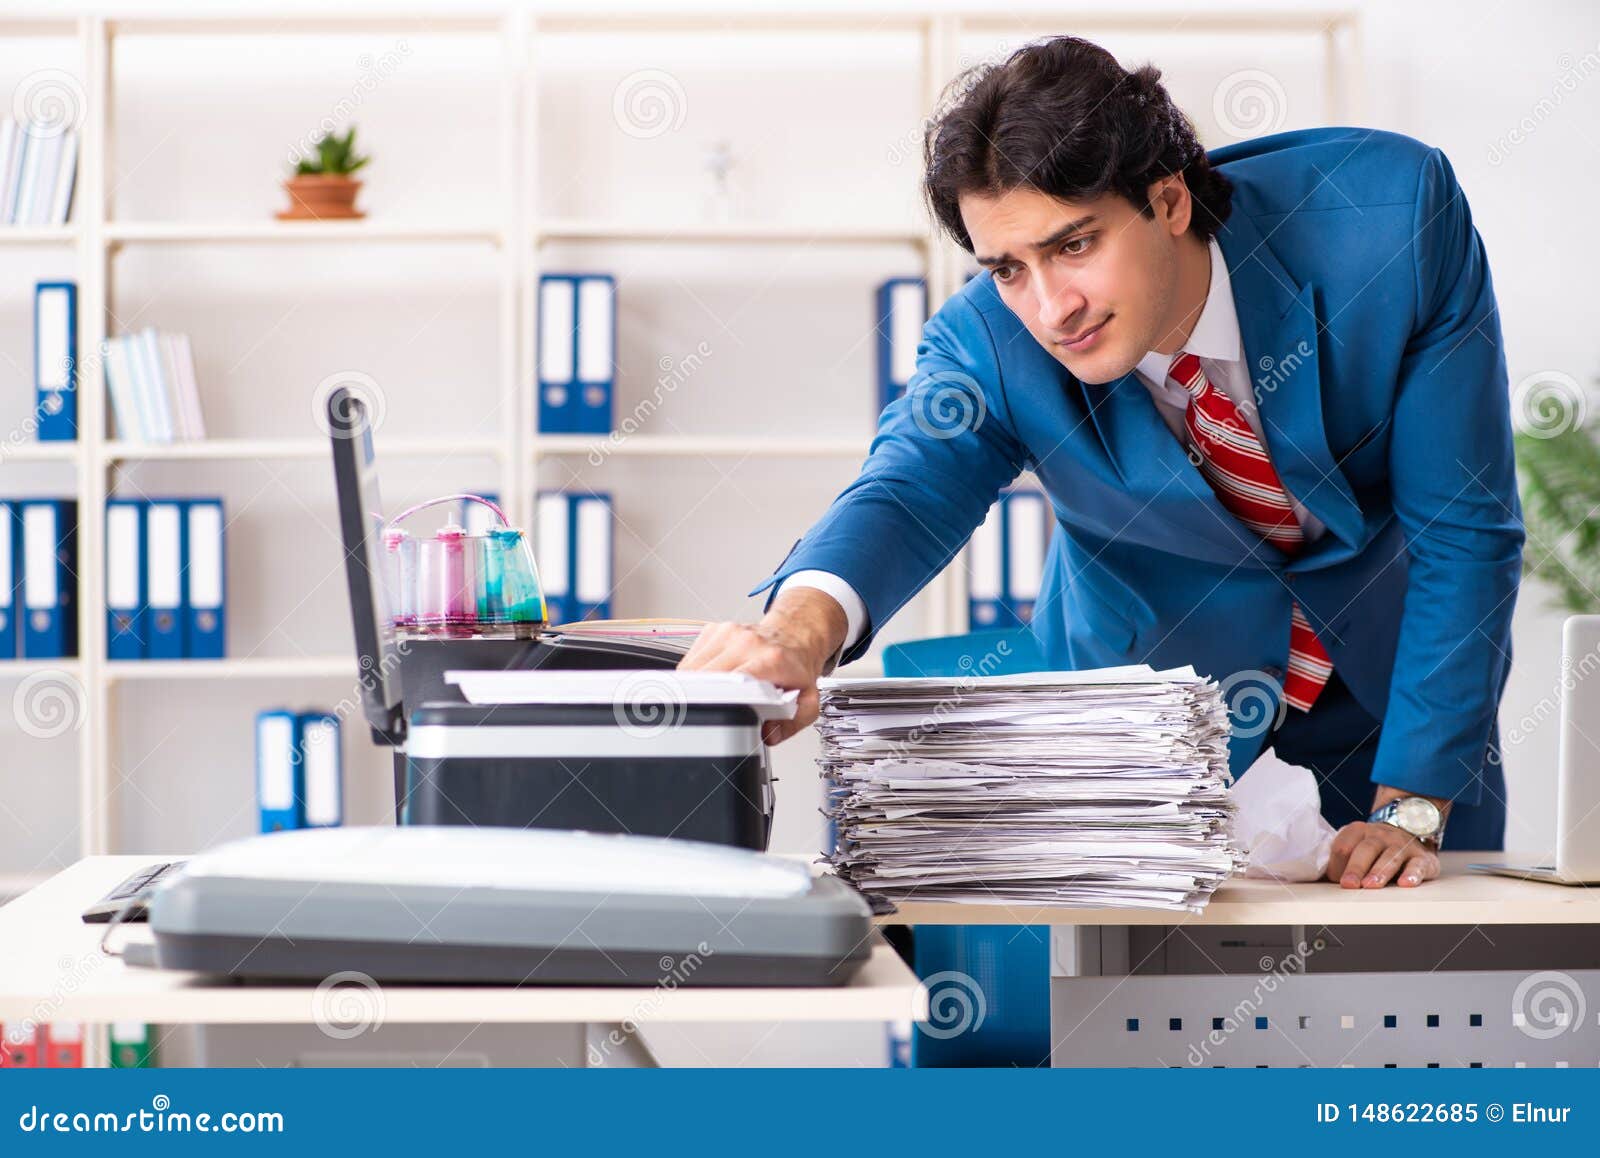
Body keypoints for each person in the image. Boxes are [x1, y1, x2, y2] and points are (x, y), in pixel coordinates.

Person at [680, 37, 1523, 889]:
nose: (1053, 308)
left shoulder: (1389, 226)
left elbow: (1464, 529)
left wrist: (1412, 802)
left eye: (1074, 245)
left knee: (1423, 999)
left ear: (1167, 200)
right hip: (1146, 749)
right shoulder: (988, 341)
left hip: (1402, 714)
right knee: (1139, 1016)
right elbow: (905, 491)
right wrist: (793, 636)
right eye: (1010, 268)